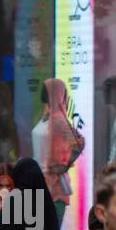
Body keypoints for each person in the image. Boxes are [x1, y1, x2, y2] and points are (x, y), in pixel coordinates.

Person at [32, 78, 85, 222]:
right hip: (39, 185)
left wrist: (64, 165)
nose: (43, 91)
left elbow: (79, 142)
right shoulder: (46, 116)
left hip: (54, 188)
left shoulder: (59, 120)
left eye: (47, 89)